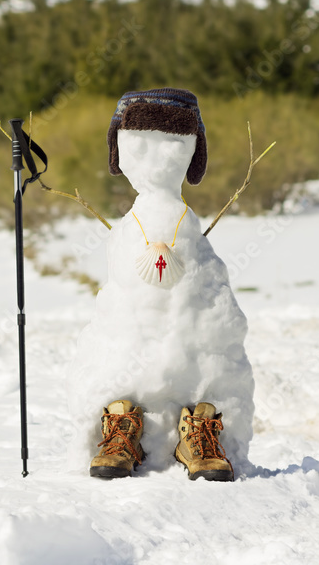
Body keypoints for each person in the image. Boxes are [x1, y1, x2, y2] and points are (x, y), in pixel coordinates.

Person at [67, 88, 255, 481]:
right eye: (139, 145)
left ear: (193, 153)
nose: (154, 159)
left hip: (192, 334)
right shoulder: (128, 228)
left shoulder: (187, 223)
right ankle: (122, 428)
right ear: (119, 150)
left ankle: (199, 430)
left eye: (171, 145)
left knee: (205, 359)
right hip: (131, 328)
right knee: (118, 353)